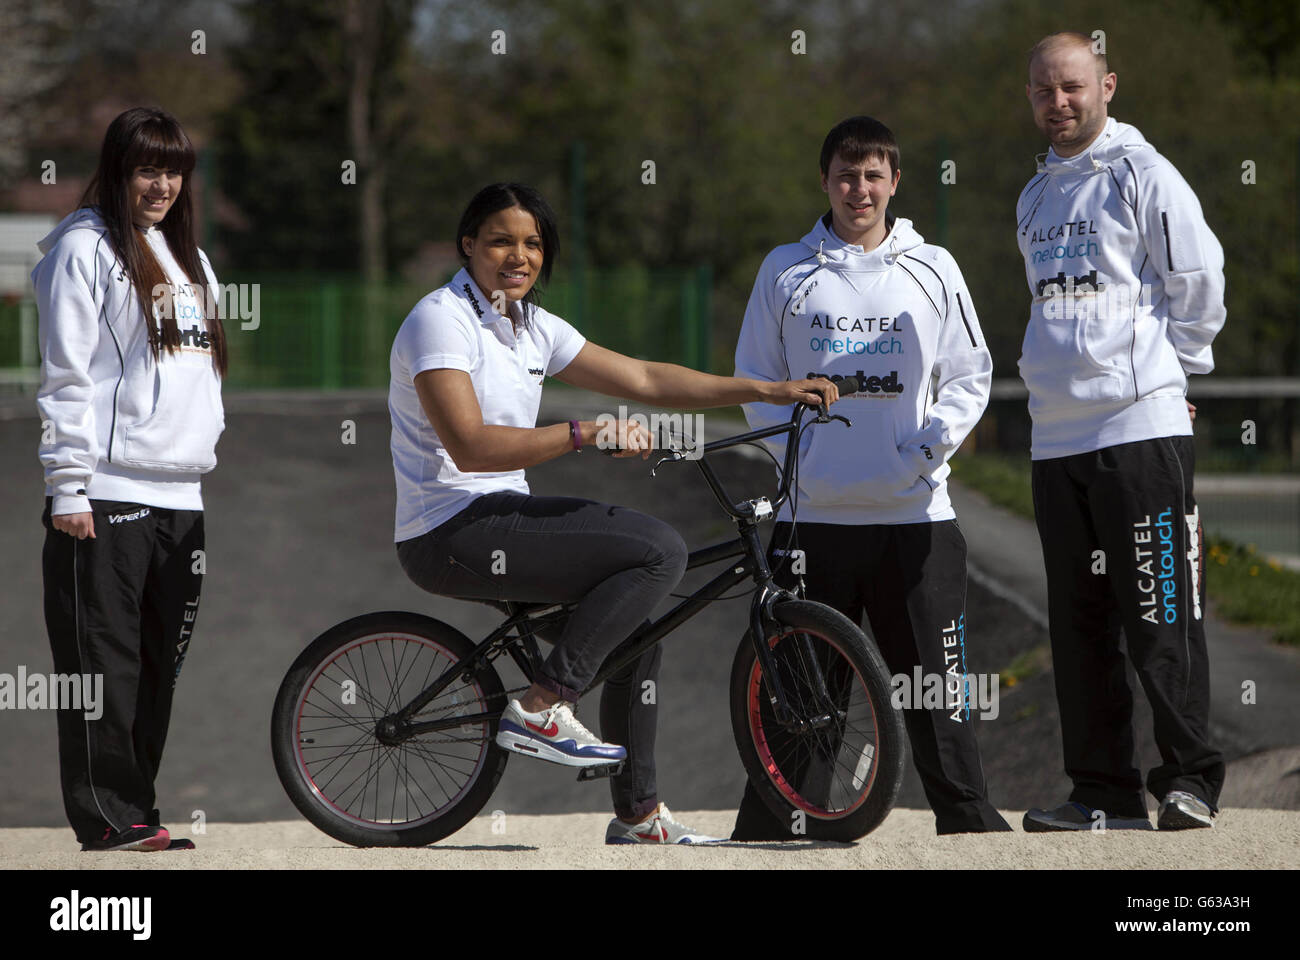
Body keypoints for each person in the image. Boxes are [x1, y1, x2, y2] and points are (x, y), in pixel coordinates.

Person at [389, 181, 839, 844]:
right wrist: (583, 432)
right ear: (468, 246)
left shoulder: (531, 327)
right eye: (500, 241)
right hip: (450, 528)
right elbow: (472, 446)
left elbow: (647, 380)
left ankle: (639, 815)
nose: (519, 256)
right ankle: (543, 704)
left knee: (634, 638)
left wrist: (771, 387)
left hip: (500, 516)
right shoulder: (440, 320)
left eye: (533, 243)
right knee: (658, 548)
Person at [731, 115, 1011, 837]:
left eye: (874, 175)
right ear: (824, 180)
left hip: (915, 524)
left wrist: (926, 451)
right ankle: (773, 834)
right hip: (812, 522)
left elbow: (970, 375)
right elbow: (754, 382)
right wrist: (797, 464)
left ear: (895, 182)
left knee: (935, 694)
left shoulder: (935, 266)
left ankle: (970, 830)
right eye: (847, 175)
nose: (861, 189)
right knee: (800, 700)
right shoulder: (784, 269)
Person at [1016, 32, 1226, 831]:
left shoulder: (1145, 174)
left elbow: (1197, 283)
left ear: (1106, 84)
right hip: (1055, 439)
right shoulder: (1034, 197)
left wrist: (1176, 376)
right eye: (1043, 91)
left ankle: (1191, 779)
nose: (1058, 103)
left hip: (1138, 430)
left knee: (1161, 609)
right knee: (1078, 625)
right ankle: (1101, 791)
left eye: (1071, 87)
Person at [34, 107, 228, 852]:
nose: (162, 184)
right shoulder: (80, 251)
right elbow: (66, 376)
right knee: (101, 668)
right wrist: (68, 485)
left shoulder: (190, 260)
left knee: (156, 668)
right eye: (148, 168)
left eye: (174, 170)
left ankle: (137, 811)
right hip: (106, 494)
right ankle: (108, 817)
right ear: (117, 170)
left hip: (182, 498)